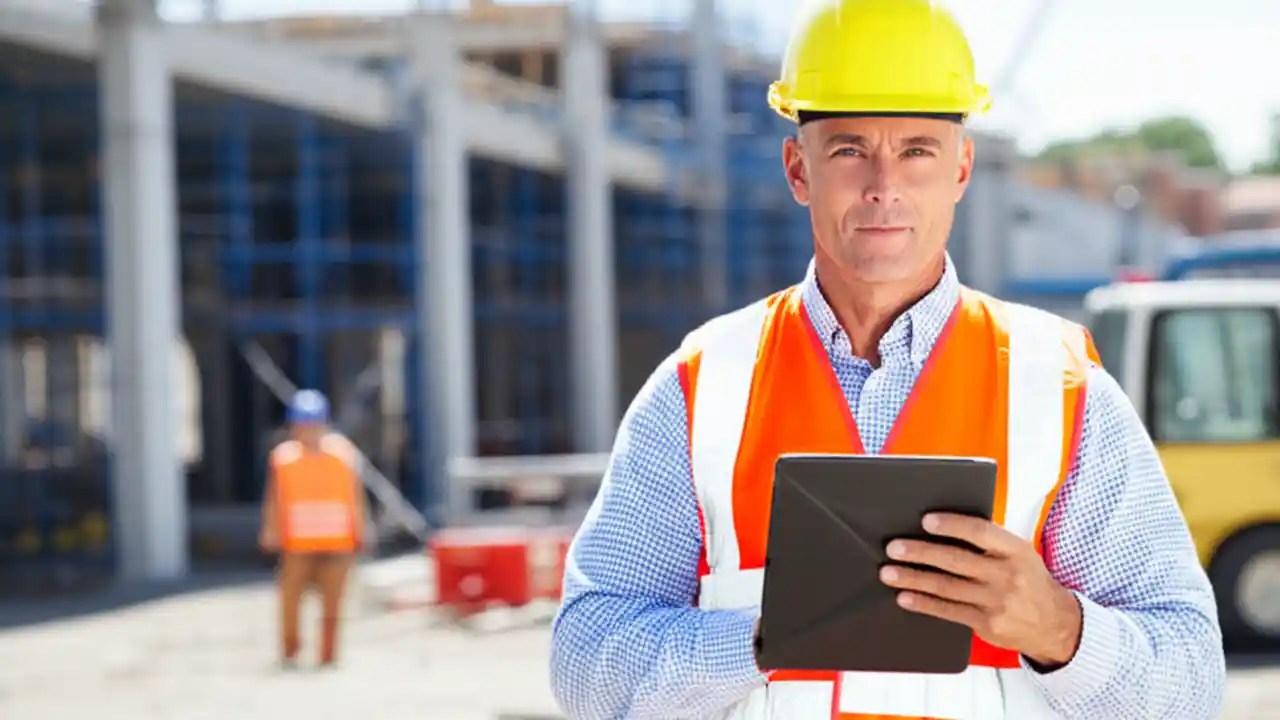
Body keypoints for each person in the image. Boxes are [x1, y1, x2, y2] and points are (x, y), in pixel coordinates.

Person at [549, 1, 1226, 718]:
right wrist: (760, 640)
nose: (883, 185)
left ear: (961, 167)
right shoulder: (702, 388)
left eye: (916, 150)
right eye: (848, 150)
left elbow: (1188, 686)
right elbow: (587, 664)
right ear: (797, 169)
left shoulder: (1061, 390)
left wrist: (1060, 629)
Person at [258, 389, 367, 669]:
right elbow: (275, 498)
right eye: (302, 426)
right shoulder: (284, 458)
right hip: (298, 546)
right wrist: (270, 530)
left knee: (333, 605)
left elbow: (354, 496)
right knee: (290, 601)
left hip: (337, 543)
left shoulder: (343, 455)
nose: (308, 432)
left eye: (312, 425)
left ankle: (328, 655)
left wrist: (361, 529)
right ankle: (290, 651)